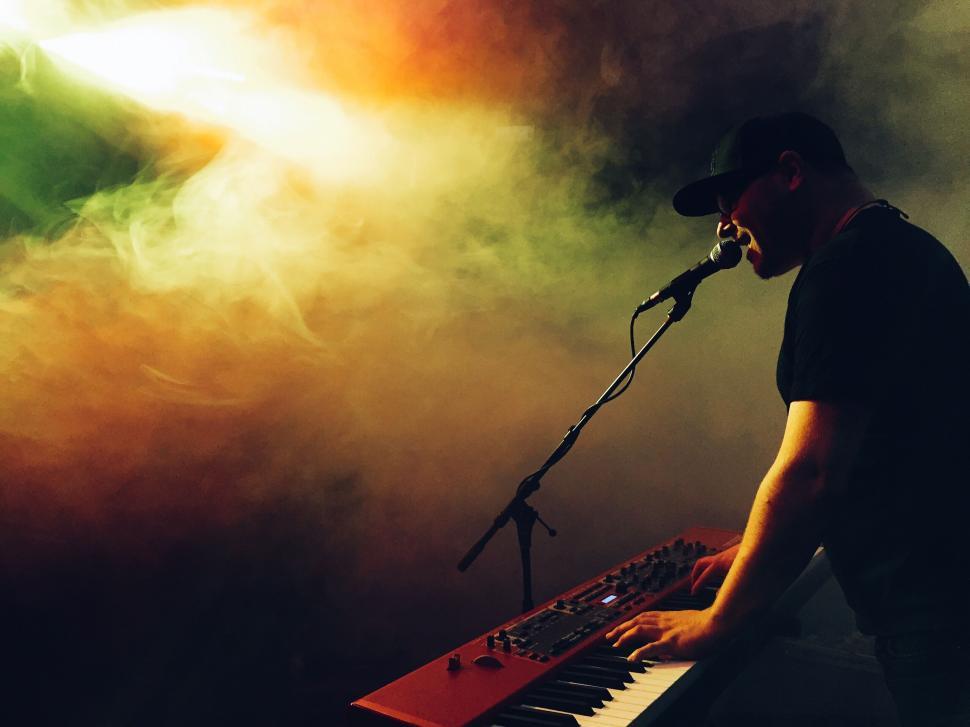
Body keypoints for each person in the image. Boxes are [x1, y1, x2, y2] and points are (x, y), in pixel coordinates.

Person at [605, 112, 970, 726]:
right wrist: (757, 549)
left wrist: (716, 623)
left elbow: (811, 473)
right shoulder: (906, 249)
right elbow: (892, 453)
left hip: (932, 617)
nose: (726, 226)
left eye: (730, 200)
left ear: (791, 172)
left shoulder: (843, 271)